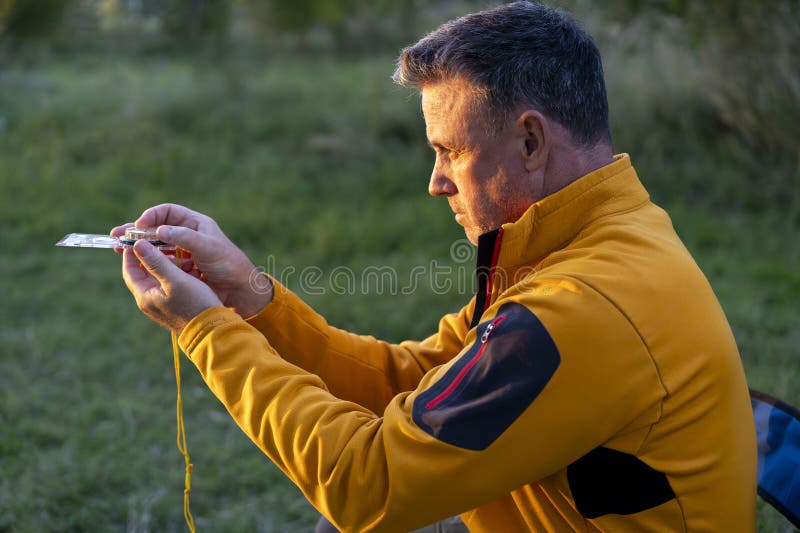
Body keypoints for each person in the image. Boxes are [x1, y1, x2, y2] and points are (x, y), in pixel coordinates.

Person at [113, 1, 757, 531]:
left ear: (530, 141)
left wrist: (204, 329)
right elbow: (415, 381)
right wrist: (247, 296)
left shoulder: (580, 306)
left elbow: (366, 485)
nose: (436, 182)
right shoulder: (598, 237)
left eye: (450, 151)